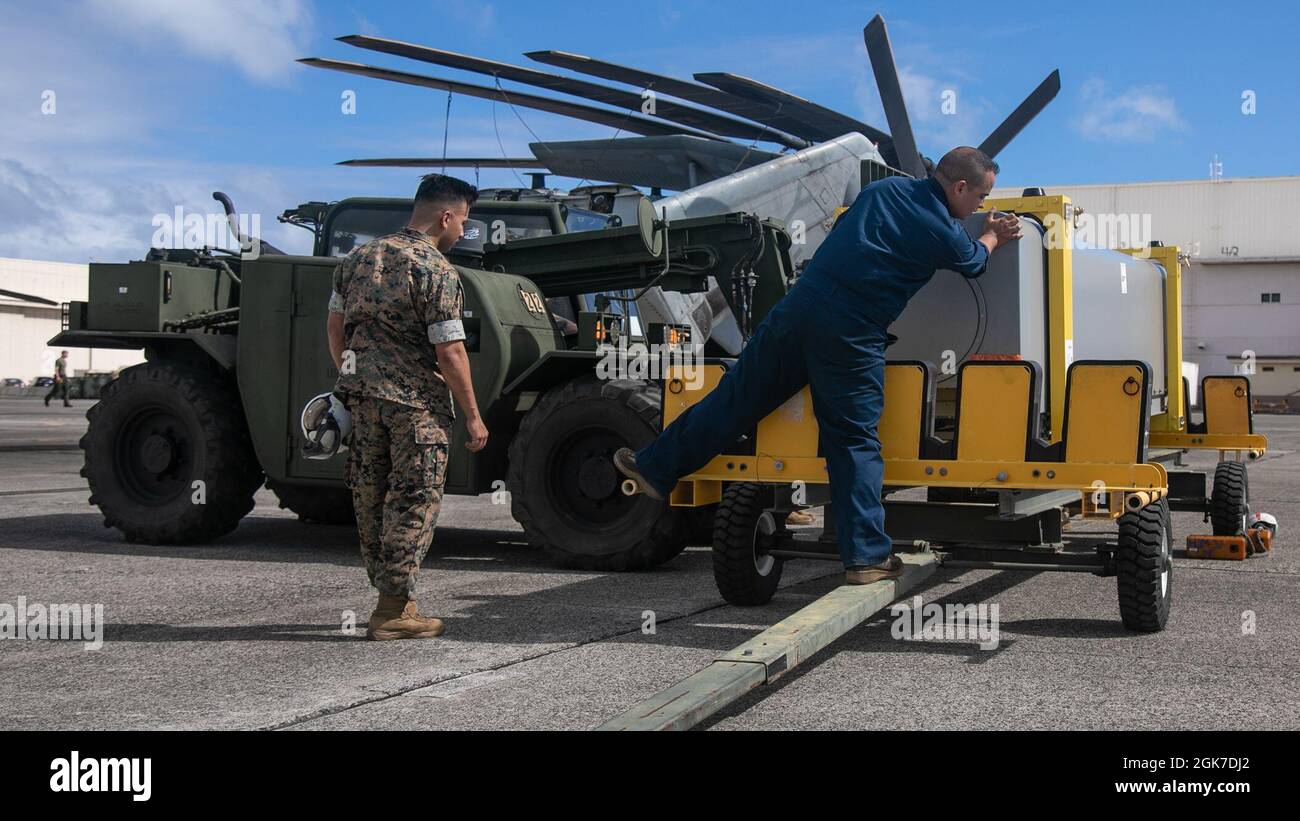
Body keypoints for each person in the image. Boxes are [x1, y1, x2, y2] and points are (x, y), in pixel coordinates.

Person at [615, 147, 1022, 585]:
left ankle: (655, 466)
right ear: (960, 187)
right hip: (849, 331)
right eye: (981, 196)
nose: (981, 206)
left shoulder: (883, 189)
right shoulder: (937, 224)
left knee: (734, 400)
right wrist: (993, 234)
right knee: (853, 440)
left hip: (797, 311)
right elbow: (974, 262)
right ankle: (866, 557)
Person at [327, 174, 489, 641]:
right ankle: (394, 611)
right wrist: (474, 416)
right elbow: (450, 351)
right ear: (446, 216)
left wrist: (352, 376)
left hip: (362, 401)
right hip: (415, 407)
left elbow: (335, 327)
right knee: (413, 500)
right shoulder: (435, 269)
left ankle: (394, 600)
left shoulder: (358, 257)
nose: (462, 231)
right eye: (463, 221)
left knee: (371, 498)